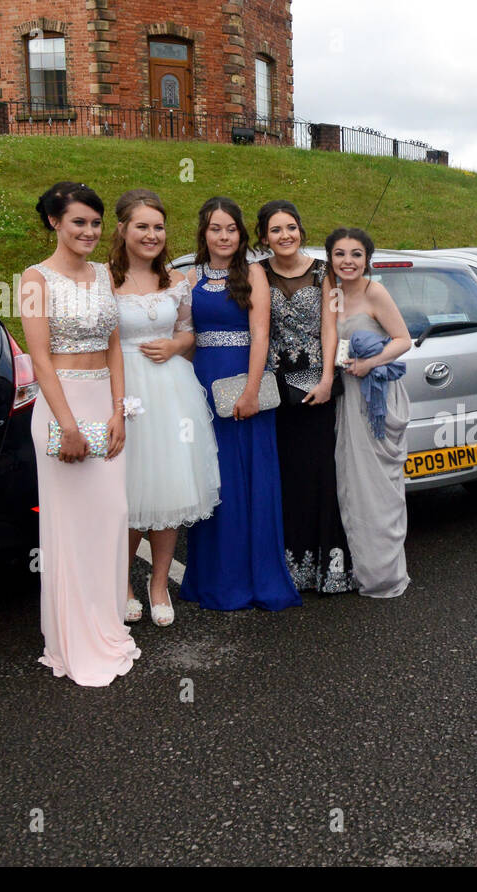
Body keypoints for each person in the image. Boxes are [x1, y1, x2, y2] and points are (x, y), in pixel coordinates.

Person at [21, 181, 140, 685]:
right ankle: (72, 638)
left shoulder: (104, 274)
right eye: (79, 222)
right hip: (61, 407)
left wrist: (120, 410)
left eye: (95, 223)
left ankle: (105, 622)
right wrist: (67, 424)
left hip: (104, 405)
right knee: (70, 527)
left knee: (112, 516)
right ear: (54, 222)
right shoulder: (33, 279)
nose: (89, 231)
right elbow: (40, 358)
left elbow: (115, 346)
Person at [178, 197, 302, 611]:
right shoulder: (189, 276)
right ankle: (212, 577)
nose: (224, 235)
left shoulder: (252, 274)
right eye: (216, 228)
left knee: (246, 479)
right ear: (204, 232)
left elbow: (261, 335)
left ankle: (252, 577)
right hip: (202, 385)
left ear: (241, 234)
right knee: (211, 480)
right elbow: (184, 333)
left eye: (231, 228)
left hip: (243, 385)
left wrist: (251, 392)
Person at [109, 189, 221, 625]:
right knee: (130, 492)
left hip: (173, 389)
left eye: (158, 226)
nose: (152, 234)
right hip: (127, 388)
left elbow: (190, 332)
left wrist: (175, 344)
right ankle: (121, 583)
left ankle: (159, 586)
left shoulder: (177, 280)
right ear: (122, 229)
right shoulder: (104, 280)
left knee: (169, 488)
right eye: (142, 226)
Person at [255, 201, 356, 595]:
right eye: (276, 230)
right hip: (274, 389)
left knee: (320, 474)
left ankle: (326, 568)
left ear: (301, 231)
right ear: (265, 236)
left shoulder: (323, 272)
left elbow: (331, 328)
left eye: (291, 228)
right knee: (283, 476)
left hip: (316, 386)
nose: (285, 236)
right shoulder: (257, 272)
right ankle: (285, 567)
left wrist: (329, 376)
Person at [327, 227, 412, 598]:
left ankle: (385, 574)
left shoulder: (375, 292)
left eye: (356, 254)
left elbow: (403, 340)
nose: (348, 261)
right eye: (340, 254)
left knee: (379, 487)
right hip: (347, 398)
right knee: (353, 484)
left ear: (367, 259)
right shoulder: (330, 295)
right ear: (330, 258)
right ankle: (362, 567)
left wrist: (370, 363)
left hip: (376, 398)